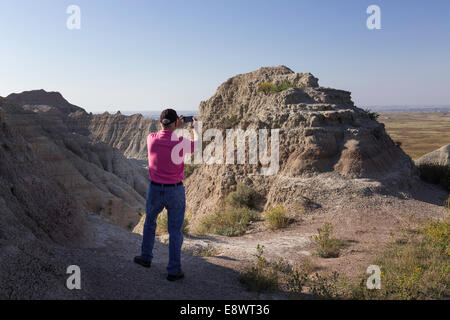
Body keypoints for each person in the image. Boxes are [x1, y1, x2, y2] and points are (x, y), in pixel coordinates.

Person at [134, 108, 196, 281]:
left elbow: (163, 132)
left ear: (160, 122)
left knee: (149, 223)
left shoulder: (151, 139)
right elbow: (197, 145)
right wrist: (193, 128)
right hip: (175, 190)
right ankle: (174, 270)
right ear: (176, 123)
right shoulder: (180, 142)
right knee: (175, 231)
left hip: (155, 189)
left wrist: (174, 125)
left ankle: (146, 258)